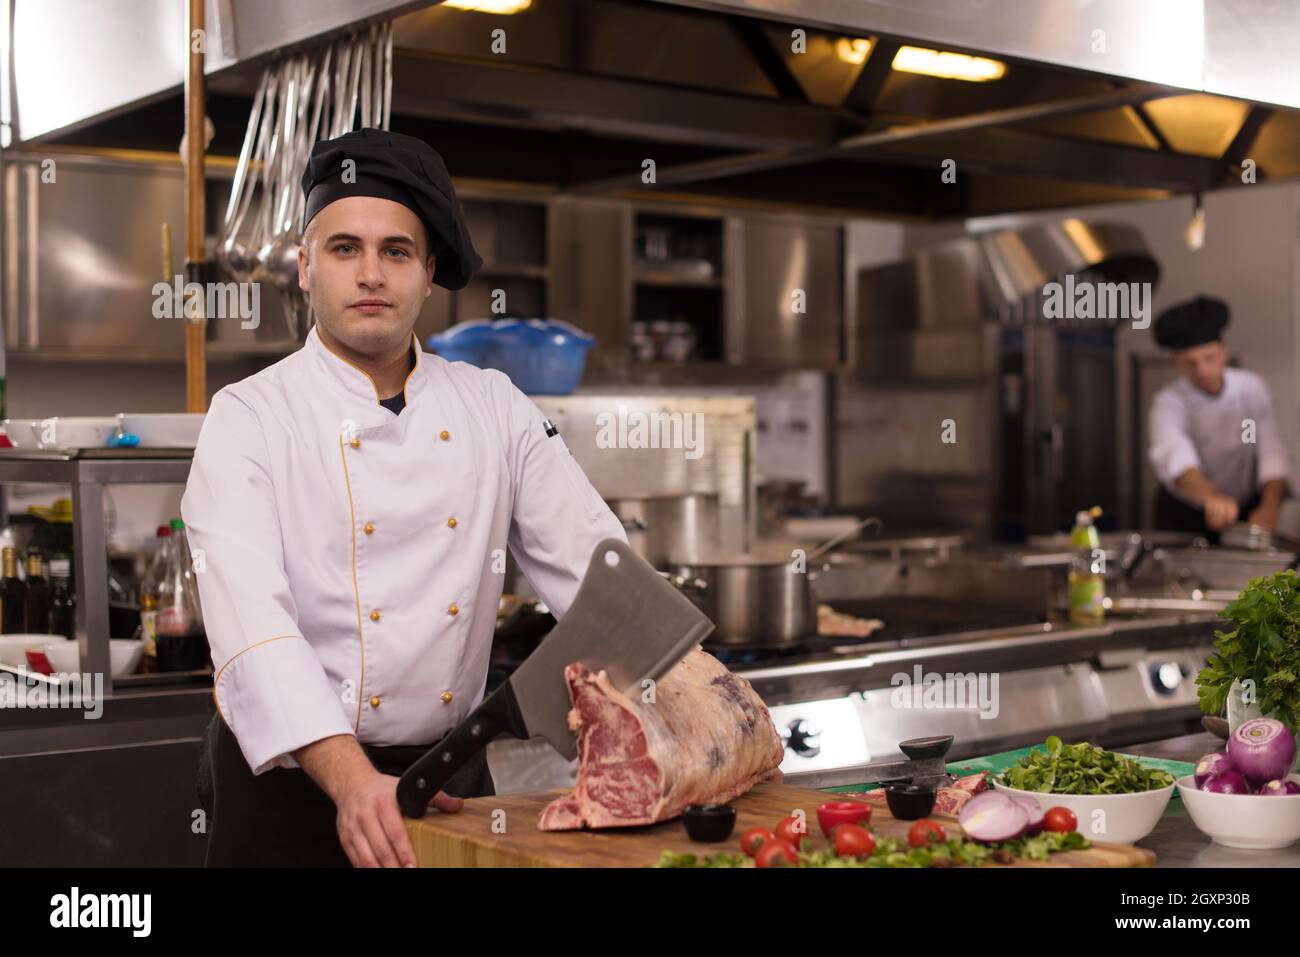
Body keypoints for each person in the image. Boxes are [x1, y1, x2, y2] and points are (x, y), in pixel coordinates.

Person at [183, 128, 627, 867]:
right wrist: (354, 782)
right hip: (289, 789)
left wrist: (704, 698)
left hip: (444, 786)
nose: (370, 274)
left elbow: (602, 577)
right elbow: (253, 631)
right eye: (344, 248)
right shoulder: (249, 416)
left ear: (427, 274)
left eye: (395, 251)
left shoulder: (494, 405)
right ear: (304, 268)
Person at [1148, 295, 1291, 536]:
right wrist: (1211, 496)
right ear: (1176, 363)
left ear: (1223, 351)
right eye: (1189, 363)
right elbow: (1177, 457)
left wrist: (1270, 507)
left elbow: (1272, 453)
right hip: (1186, 512)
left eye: (1209, 358)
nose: (1202, 370)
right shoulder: (1169, 401)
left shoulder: (1251, 389)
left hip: (1246, 509)